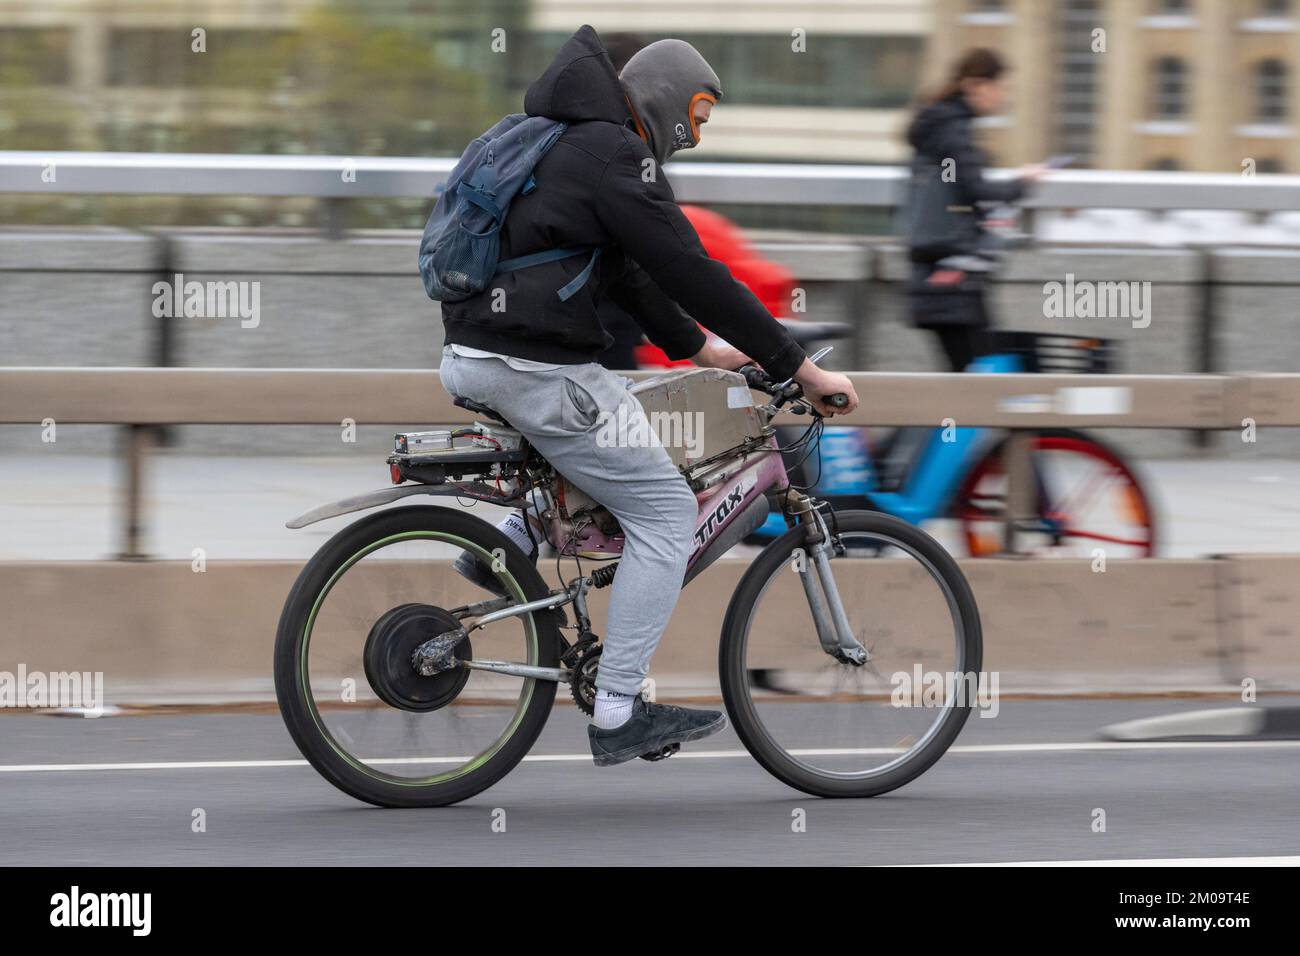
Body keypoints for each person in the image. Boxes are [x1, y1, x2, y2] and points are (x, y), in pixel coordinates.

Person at [435, 25, 858, 766]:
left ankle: (503, 549)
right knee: (664, 510)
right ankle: (618, 710)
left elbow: (628, 274)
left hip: (481, 353)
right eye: (697, 114)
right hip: (535, 369)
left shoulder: (562, 138)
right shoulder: (615, 154)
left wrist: (703, 351)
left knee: (624, 436)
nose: (695, 134)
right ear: (665, 101)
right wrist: (802, 369)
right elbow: (693, 270)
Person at [904, 48, 1044, 372]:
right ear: (976, 85)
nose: (1002, 97)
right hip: (952, 280)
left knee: (970, 376)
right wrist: (1025, 181)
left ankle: (941, 421)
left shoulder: (940, 124)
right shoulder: (952, 129)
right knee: (978, 377)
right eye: (1000, 87)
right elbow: (978, 190)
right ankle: (927, 422)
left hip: (939, 275)